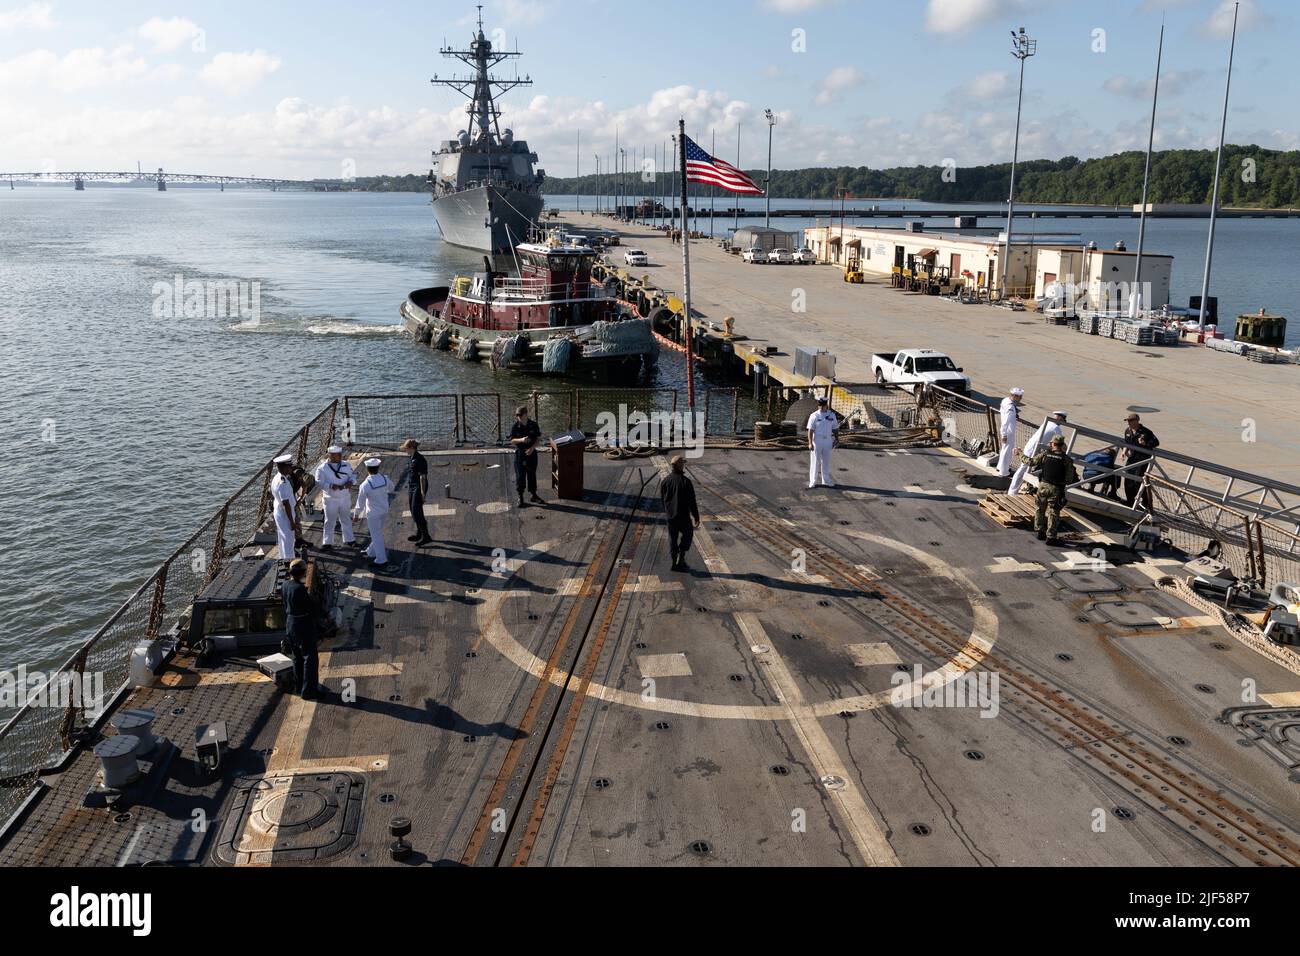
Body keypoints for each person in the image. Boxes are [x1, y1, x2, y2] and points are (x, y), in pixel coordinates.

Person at [1028, 435, 1078, 545]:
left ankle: (1039, 531)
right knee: (1053, 513)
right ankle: (1050, 537)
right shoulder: (1067, 460)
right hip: (1056, 489)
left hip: (1043, 486)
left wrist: (1019, 454)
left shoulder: (1045, 455)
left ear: (1053, 444)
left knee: (1040, 509)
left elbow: (1031, 462)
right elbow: (1069, 479)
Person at [283, 559, 321, 699]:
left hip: (290, 623)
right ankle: (309, 691)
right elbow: (311, 609)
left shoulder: (285, 585)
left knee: (297, 657)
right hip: (303, 624)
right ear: (304, 572)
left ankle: (299, 687)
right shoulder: (299, 589)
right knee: (309, 659)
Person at [1009, 410, 1068, 496]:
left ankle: (1017, 490)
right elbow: (1061, 443)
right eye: (1062, 420)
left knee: (1026, 469)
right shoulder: (1056, 428)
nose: (1062, 423)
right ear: (1059, 418)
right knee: (1023, 469)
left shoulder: (1047, 423)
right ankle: (1012, 492)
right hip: (1033, 450)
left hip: (1031, 447)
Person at [659, 455, 701, 572]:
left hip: (670, 517)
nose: (683, 465)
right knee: (688, 534)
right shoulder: (686, 482)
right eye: (682, 463)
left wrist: (668, 512)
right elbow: (692, 502)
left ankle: (674, 562)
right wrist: (696, 517)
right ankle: (681, 558)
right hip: (683, 516)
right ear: (680, 465)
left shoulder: (665, 481)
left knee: (672, 538)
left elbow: (663, 500)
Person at [313, 446, 357, 551]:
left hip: (344, 497)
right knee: (329, 521)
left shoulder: (346, 465)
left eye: (340, 454)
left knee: (346, 518)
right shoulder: (322, 468)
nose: (341, 456)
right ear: (330, 455)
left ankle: (349, 539)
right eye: (338, 455)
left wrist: (351, 482)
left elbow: (353, 476)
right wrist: (330, 486)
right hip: (330, 499)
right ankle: (327, 542)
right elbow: (319, 482)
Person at [352, 459, 392, 570]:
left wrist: (356, 515)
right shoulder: (385, 479)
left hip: (373, 514)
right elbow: (391, 488)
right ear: (378, 468)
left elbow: (360, 503)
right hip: (384, 510)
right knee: (378, 532)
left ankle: (381, 560)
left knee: (376, 535)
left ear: (367, 469)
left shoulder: (365, 485)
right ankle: (371, 551)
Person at [1121, 414, 1160, 509]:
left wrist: (1145, 443)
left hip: (1142, 460)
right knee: (1128, 480)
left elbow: (1156, 442)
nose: (1129, 423)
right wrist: (1124, 451)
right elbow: (1127, 443)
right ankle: (1130, 501)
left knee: (1138, 481)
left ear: (1137, 420)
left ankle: (1146, 503)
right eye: (1128, 421)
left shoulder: (1146, 432)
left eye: (1131, 421)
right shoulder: (1127, 431)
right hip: (1132, 459)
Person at [400, 439, 433, 547]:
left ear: (411, 448)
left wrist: (423, 494)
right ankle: (419, 533)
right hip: (412, 486)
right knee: (413, 511)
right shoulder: (411, 458)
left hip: (419, 487)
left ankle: (426, 536)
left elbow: (423, 478)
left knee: (417, 512)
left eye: (406, 448)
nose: (405, 450)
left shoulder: (420, 460)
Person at [509, 405, 544, 507]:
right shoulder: (515, 426)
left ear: (525, 414)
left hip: (531, 453)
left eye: (520, 415)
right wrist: (521, 440)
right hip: (520, 454)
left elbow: (538, 439)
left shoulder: (533, 425)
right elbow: (512, 440)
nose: (518, 417)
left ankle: (533, 495)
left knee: (532, 474)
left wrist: (532, 448)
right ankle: (520, 497)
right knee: (520, 475)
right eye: (517, 415)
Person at [270, 454, 301, 564]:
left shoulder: (277, 478)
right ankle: (291, 564)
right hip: (285, 514)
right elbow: (286, 504)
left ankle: (283, 561)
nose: (291, 469)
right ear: (283, 467)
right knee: (288, 541)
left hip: (280, 511)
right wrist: (292, 522)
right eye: (290, 467)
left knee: (283, 539)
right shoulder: (282, 483)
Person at [806, 396, 840, 489]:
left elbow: (835, 428)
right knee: (815, 461)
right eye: (820, 405)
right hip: (817, 440)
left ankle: (826, 480)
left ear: (826, 405)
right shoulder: (814, 416)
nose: (821, 407)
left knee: (826, 461)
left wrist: (837, 439)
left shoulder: (832, 415)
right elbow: (810, 430)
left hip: (828, 440)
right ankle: (812, 481)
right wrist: (810, 443)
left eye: (823, 405)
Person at [996, 388, 1024, 477]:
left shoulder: (1005, 400)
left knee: (1004, 450)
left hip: (1006, 431)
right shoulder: (1010, 407)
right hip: (1008, 432)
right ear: (1015, 396)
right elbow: (1005, 421)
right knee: (1007, 452)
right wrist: (1004, 434)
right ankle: (1004, 472)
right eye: (1020, 397)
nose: (1021, 399)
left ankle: (1000, 467)